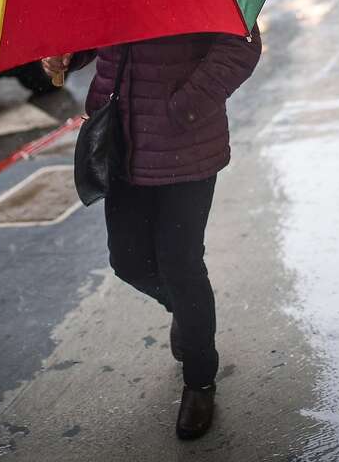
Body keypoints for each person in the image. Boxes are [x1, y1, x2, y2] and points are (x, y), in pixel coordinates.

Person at [42, 29, 261, 441]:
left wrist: (183, 107)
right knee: (127, 260)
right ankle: (186, 311)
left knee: (181, 265)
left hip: (186, 144)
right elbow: (97, 30)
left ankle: (199, 382)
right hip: (121, 139)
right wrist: (70, 51)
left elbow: (242, 45)